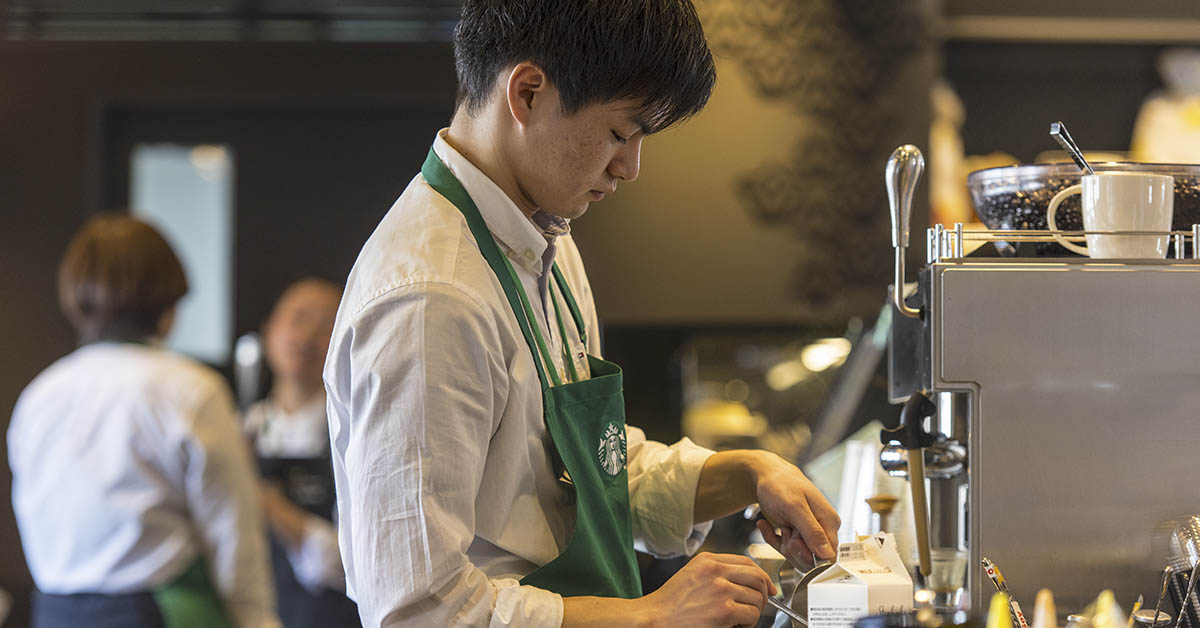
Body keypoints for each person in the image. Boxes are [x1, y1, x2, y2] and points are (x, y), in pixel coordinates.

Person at [323, 2, 842, 626]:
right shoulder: (432, 296)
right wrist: (654, 615)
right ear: (528, 92)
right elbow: (417, 608)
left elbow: (589, 473)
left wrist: (747, 474)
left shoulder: (549, 241)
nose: (630, 167)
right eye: (621, 133)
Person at [8, 214, 279, 628]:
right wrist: (258, 620)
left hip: (55, 612)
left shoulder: (38, 395)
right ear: (168, 303)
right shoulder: (190, 389)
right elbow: (232, 535)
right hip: (158, 612)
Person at [242, 278, 360, 627]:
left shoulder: (354, 436)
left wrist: (267, 504)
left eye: (325, 325)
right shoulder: (239, 429)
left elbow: (353, 566)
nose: (307, 336)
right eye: (298, 318)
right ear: (268, 331)